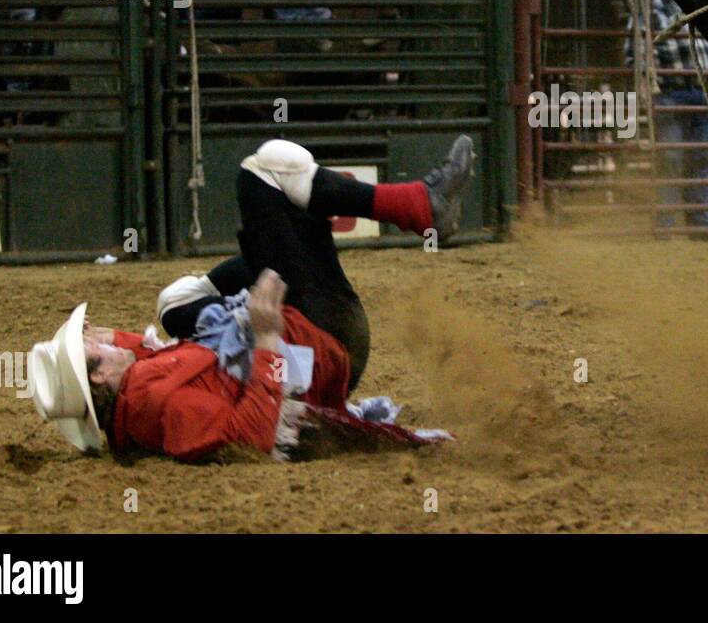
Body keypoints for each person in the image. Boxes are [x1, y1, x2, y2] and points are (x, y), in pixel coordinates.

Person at [28, 134, 474, 461]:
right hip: (319, 345)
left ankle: (279, 242)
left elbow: (166, 361)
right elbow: (252, 435)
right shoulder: (158, 404)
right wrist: (264, 340)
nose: (100, 338)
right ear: (101, 375)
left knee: (175, 301)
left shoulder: (134, 397)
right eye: (92, 346)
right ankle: (422, 206)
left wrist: (116, 340)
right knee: (269, 168)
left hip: (310, 349)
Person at [624, 0, 708, 229]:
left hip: (705, 91)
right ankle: (667, 221)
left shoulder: (699, 2)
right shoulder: (648, 7)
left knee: (704, 156)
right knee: (671, 157)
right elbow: (635, 49)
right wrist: (645, 79)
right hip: (669, 92)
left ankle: (698, 220)